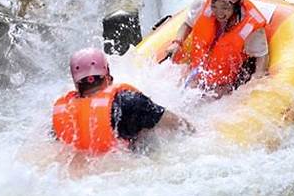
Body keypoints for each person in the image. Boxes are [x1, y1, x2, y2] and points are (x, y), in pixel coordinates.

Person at [52, 47, 194, 154]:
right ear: (108, 75)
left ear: (76, 84)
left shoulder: (64, 114)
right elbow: (181, 125)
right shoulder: (129, 102)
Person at [165, 0, 269, 98]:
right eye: (214, 6)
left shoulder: (251, 28)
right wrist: (177, 43)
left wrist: (258, 77)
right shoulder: (202, 6)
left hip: (224, 84)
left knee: (208, 100)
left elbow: (261, 55)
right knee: (177, 90)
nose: (219, 13)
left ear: (237, 5)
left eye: (225, 7)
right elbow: (187, 24)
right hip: (196, 71)